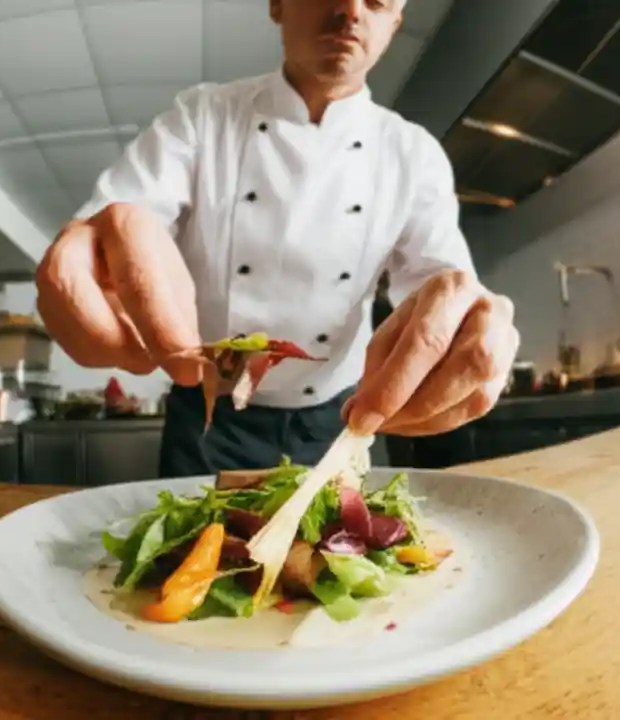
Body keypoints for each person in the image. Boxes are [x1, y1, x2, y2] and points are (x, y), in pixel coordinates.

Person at [36, 0, 519, 477]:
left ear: (395, 21)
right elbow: (121, 217)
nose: (351, 10)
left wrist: (464, 322)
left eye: (377, 1)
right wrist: (92, 255)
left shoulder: (414, 153)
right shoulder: (202, 116)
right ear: (276, 5)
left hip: (341, 417)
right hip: (208, 415)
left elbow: (439, 284)